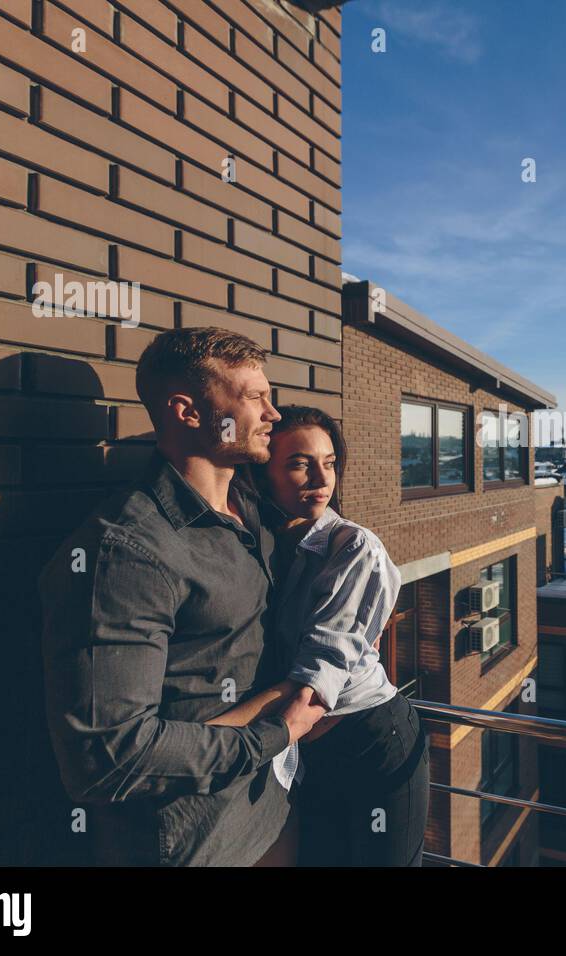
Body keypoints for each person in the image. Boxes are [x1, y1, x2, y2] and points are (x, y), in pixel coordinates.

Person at [38, 328, 324, 866]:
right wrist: (276, 731)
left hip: (271, 811)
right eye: (254, 397)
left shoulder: (254, 509)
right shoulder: (127, 551)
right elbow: (107, 757)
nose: (274, 413)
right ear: (187, 412)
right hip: (194, 843)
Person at [207, 406, 430, 866]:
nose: (320, 477)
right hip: (311, 749)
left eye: (328, 463)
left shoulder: (353, 547)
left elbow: (317, 680)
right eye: (299, 463)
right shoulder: (265, 547)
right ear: (263, 472)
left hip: (374, 738)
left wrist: (187, 747)